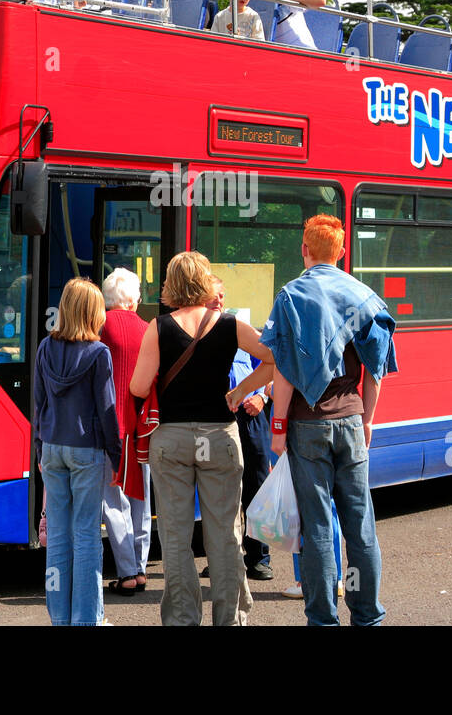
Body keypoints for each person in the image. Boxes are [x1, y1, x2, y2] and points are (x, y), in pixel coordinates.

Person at [261, 214, 398, 626]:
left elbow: (283, 369)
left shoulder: (290, 296)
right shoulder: (365, 296)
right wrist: (368, 419)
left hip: (306, 424)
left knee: (318, 527)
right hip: (352, 419)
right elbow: (376, 368)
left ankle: (322, 619)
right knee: (360, 525)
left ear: (304, 250)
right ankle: (367, 616)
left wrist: (279, 426)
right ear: (341, 252)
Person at [128, 251, 272, 625]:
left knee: (176, 538)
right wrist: (241, 392)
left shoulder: (158, 327)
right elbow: (275, 358)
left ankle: (182, 619)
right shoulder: (230, 324)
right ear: (205, 281)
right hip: (220, 435)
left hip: (172, 438)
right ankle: (231, 618)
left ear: (172, 284)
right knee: (225, 535)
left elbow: (139, 387)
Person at [34, 277, 120, 626]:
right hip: (87, 451)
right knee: (86, 536)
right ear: (92, 312)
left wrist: (40, 449)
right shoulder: (99, 354)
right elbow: (107, 410)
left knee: (57, 534)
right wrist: (116, 456)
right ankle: (86, 620)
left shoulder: (44, 348)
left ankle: (60, 617)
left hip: (52, 448)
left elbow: (38, 406)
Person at [209, 276, 274, 582]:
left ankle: (259, 557)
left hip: (250, 415)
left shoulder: (239, 328)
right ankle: (224, 558)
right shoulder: (201, 334)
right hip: (219, 416)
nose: (218, 301)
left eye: (221, 295)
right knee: (222, 492)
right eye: (213, 296)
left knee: (256, 486)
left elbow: (273, 365)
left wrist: (261, 397)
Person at [99, 268, 150, 596]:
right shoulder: (149, 329)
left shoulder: (99, 326)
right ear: (134, 299)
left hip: (109, 426)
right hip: (142, 428)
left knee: (113, 500)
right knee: (140, 496)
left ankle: (127, 571)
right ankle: (142, 568)